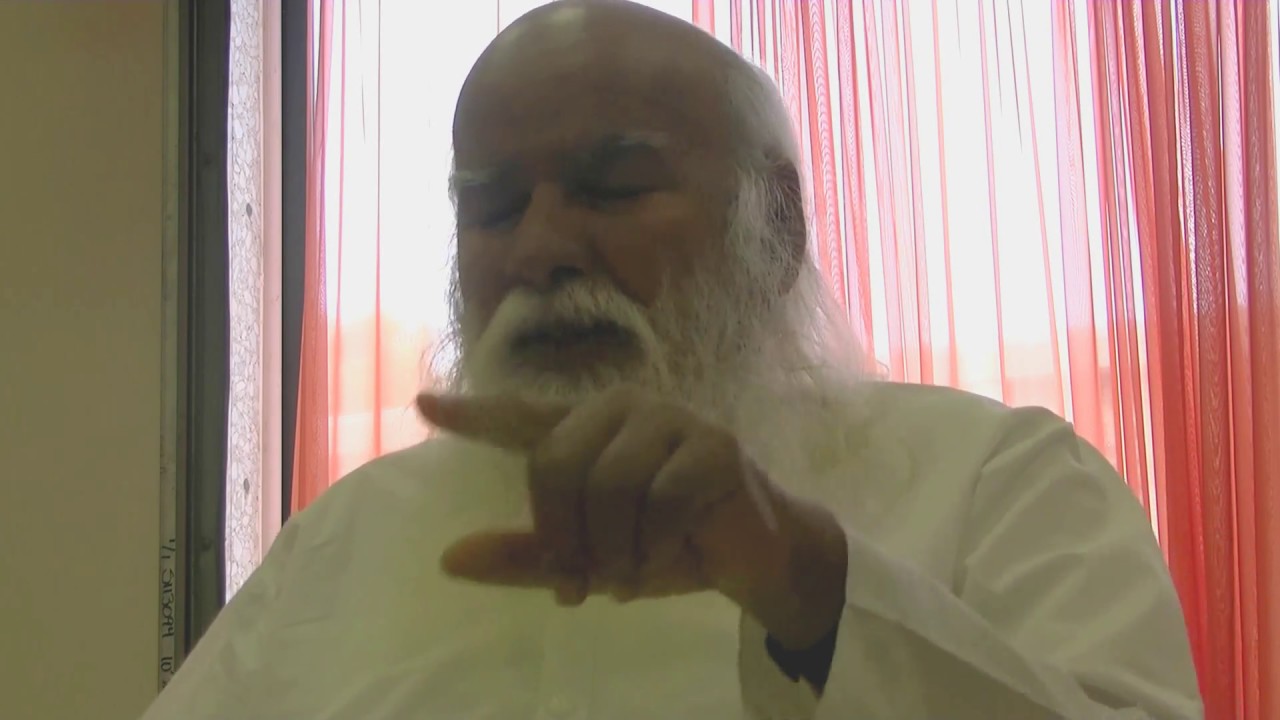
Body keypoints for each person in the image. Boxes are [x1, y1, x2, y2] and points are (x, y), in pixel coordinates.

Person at [141, 1, 1203, 718]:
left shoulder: (997, 482)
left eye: (610, 188)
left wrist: (806, 585)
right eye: (493, 207)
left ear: (773, 229)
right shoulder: (345, 538)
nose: (537, 249)